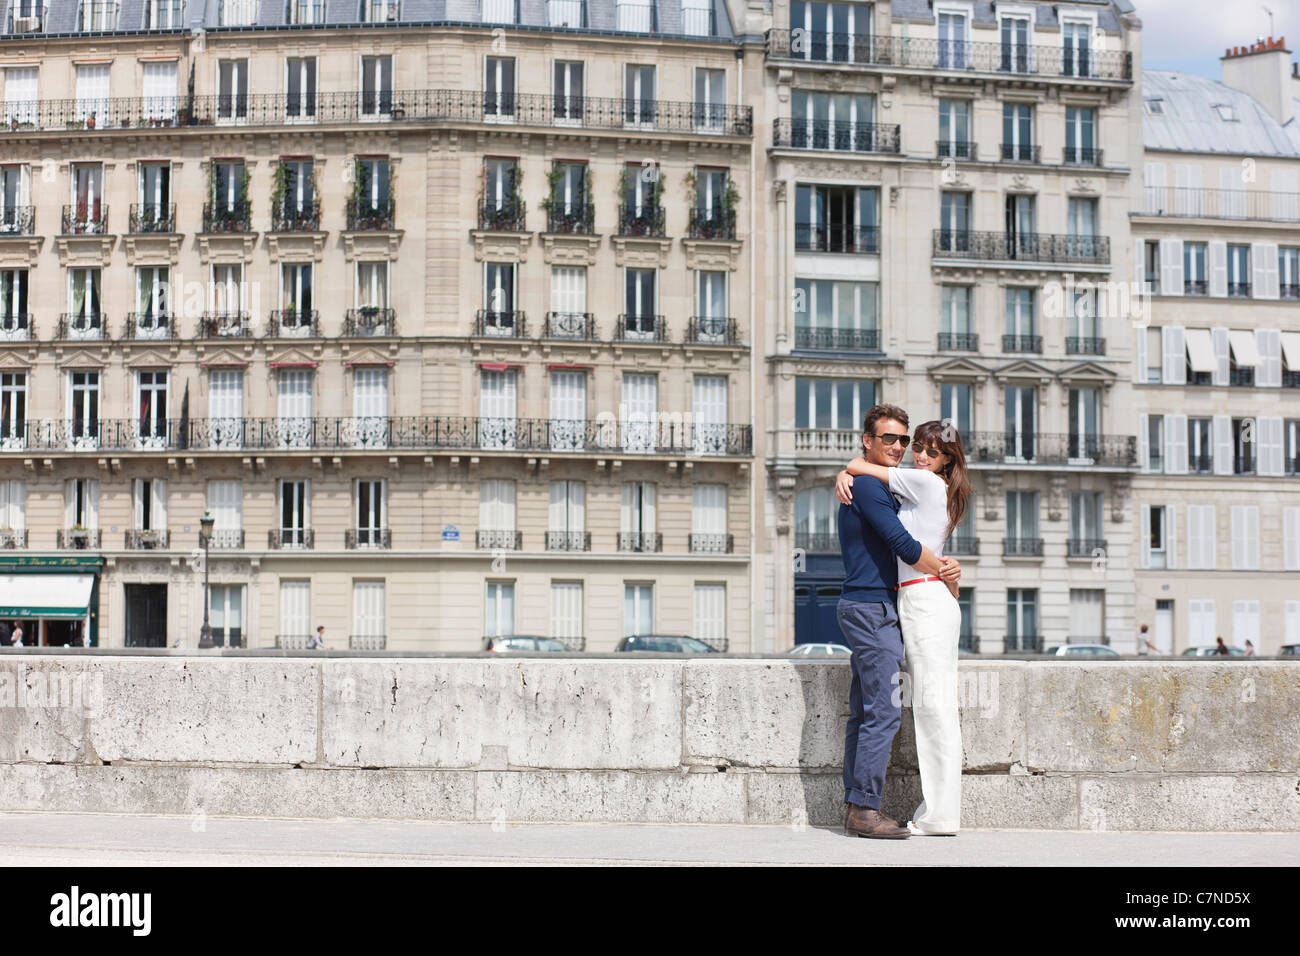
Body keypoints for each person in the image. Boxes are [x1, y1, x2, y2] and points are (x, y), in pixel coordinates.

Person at [836, 417, 971, 837]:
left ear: (948, 461)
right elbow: (870, 476)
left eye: (933, 452)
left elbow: (906, 545)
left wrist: (849, 467)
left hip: (926, 598)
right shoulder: (911, 486)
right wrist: (847, 471)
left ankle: (940, 816)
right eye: (917, 446)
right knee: (914, 707)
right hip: (912, 598)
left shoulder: (925, 483)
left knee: (933, 708)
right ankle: (866, 807)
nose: (920, 455)